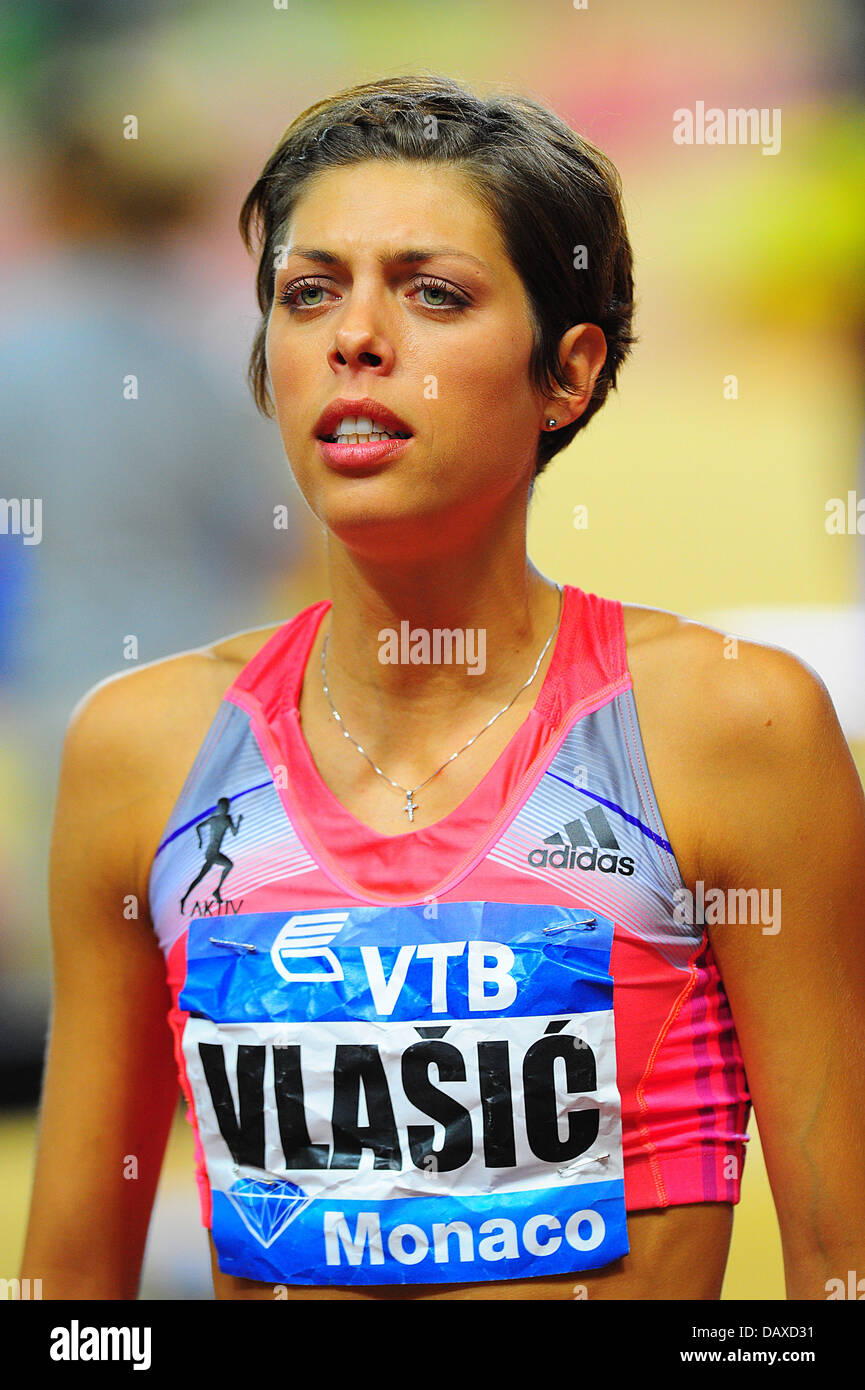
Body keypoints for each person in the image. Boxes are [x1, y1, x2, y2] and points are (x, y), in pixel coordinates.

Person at [20, 73, 865, 1302]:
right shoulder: (139, 749)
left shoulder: (734, 725)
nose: (354, 337)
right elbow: (69, 1302)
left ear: (566, 376)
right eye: (308, 294)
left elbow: (841, 1271)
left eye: (432, 292)